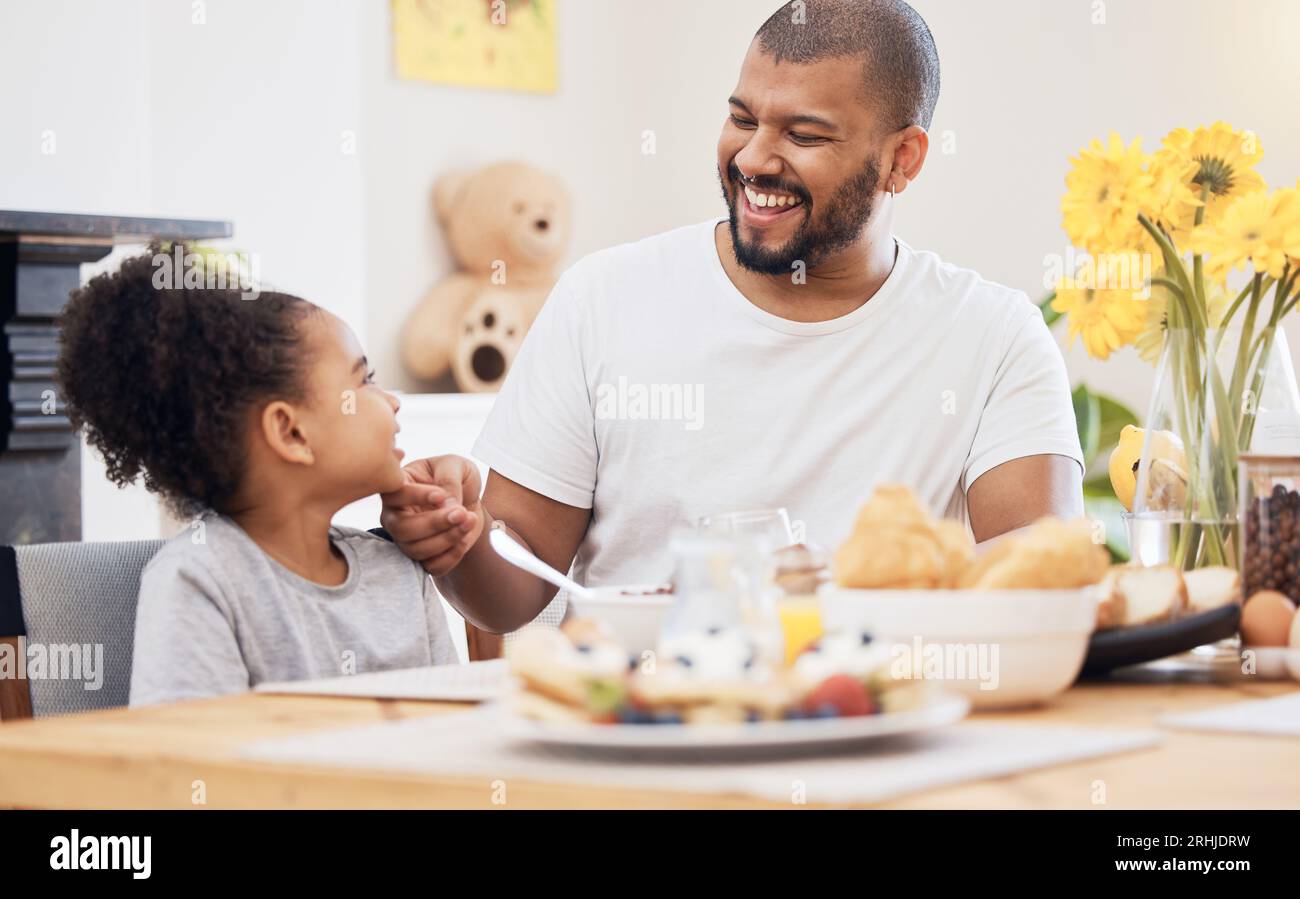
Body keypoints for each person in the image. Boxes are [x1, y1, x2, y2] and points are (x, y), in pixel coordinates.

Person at [380, 0, 1085, 633]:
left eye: (803, 134)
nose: (752, 158)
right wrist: (462, 542)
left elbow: (1038, 577)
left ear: (901, 159)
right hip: (641, 741)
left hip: (883, 741)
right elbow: (516, 588)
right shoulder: (602, 296)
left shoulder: (995, 336)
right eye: (742, 118)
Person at [57, 246, 482, 705]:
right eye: (364, 380)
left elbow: (454, 730)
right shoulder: (201, 581)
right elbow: (183, 759)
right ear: (290, 431)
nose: (392, 401)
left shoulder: (400, 573)